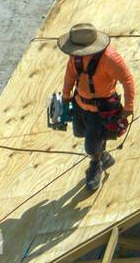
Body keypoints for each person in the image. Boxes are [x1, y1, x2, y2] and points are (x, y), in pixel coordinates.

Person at [57, 23, 135, 191]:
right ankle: (103, 155)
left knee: (90, 146)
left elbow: (127, 80)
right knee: (81, 132)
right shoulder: (75, 57)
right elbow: (70, 75)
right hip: (80, 104)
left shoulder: (110, 58)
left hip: (102, 109)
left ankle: (96, 164)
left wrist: (128, 106)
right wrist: (65, 96)